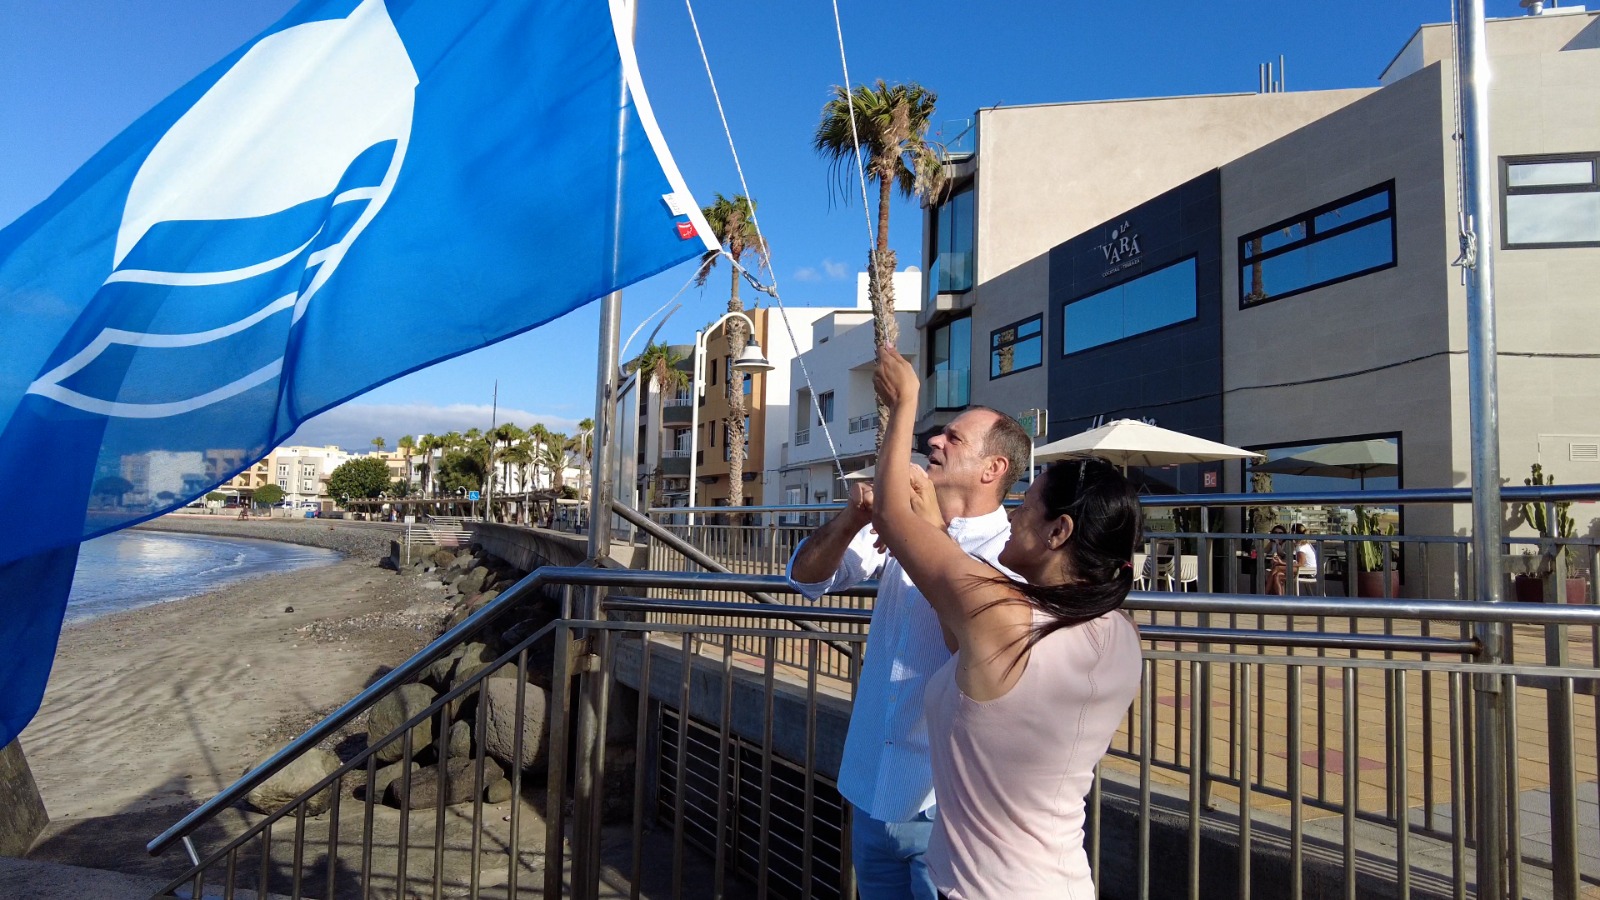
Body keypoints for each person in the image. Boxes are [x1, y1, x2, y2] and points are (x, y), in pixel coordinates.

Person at [868, 344, 1143, 899]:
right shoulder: (1120, 634)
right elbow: (962, 641)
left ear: (1058, 532)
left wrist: (906, 403)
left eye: (1027, 505)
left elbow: (892, 515)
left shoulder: (1003, 615)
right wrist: (940, 537)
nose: (1013, 513)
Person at [787, 398, 1032, 900]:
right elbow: (804, 578)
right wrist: (852, 519)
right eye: (938, 434)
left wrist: (925, 532)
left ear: (994, 468)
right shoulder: (904, 528)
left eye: (954, 438)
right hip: (872, 784)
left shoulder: (1010, 552)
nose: (935, 442)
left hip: (944, 805)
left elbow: (974, 638)